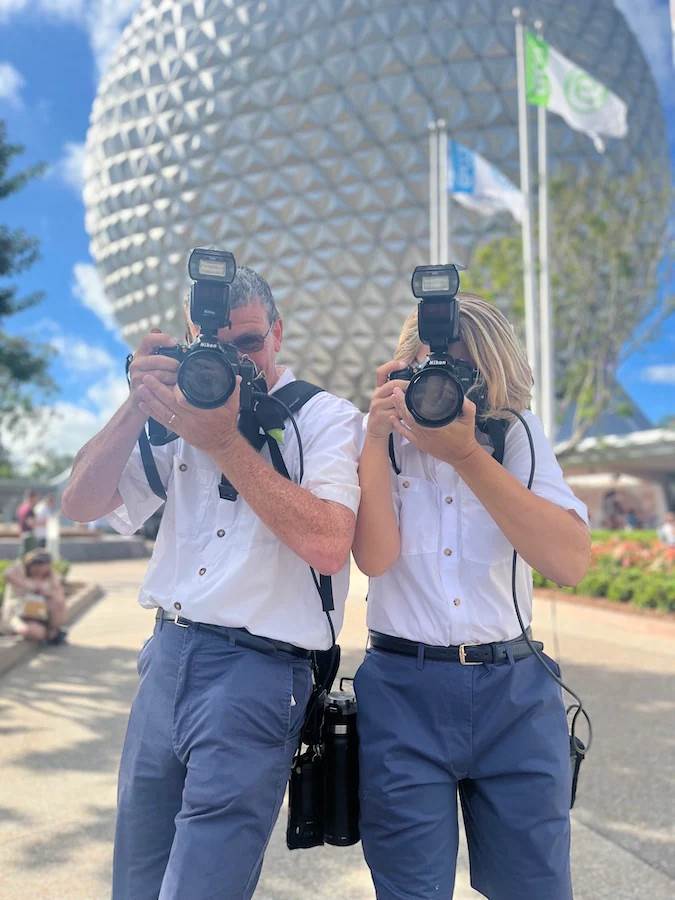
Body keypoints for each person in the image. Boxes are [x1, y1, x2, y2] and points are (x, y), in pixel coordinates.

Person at [61, 265, 361, 900]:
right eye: (215, 349)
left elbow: (329, 543)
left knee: (203, 886)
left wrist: (223, 441)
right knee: (136, 877)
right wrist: (136, 403)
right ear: (190, 340)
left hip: (260, 671)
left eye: (249, 343)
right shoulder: (175, 414)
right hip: (166, 658)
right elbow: (82, 503)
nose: (235, 363)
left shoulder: (325, 418)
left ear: (277, 333)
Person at [352, 293, 591, 900]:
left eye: (468, 373)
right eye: (436, 369)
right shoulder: (383, 439)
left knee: (536, 887)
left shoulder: (517, 435)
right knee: (410, 890)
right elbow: (374, 558)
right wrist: (378, 438)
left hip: (514, 689)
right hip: (405, 685)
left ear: (496, 377)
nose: (449, 388)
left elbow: (568, 560)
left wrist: (465, 455)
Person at [0, 549, 67, 644]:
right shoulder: (19, 572)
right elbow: (7, 574)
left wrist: (47, 592)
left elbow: (59, 599)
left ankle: (52, 631)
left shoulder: (52, 577)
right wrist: (32, 587)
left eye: (43, 566)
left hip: (40, 615)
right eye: (36, 565)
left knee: (57, 603)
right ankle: (49, 635)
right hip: (17, 614)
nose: (39, 570)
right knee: (32, 631)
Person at [15, 489, 38, 554]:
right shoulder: (29, 509)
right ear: (32, 497)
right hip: (29, 536)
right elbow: (30, 523)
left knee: (23, 556)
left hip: (22, 534)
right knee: (31, 557)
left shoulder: (21, 507)